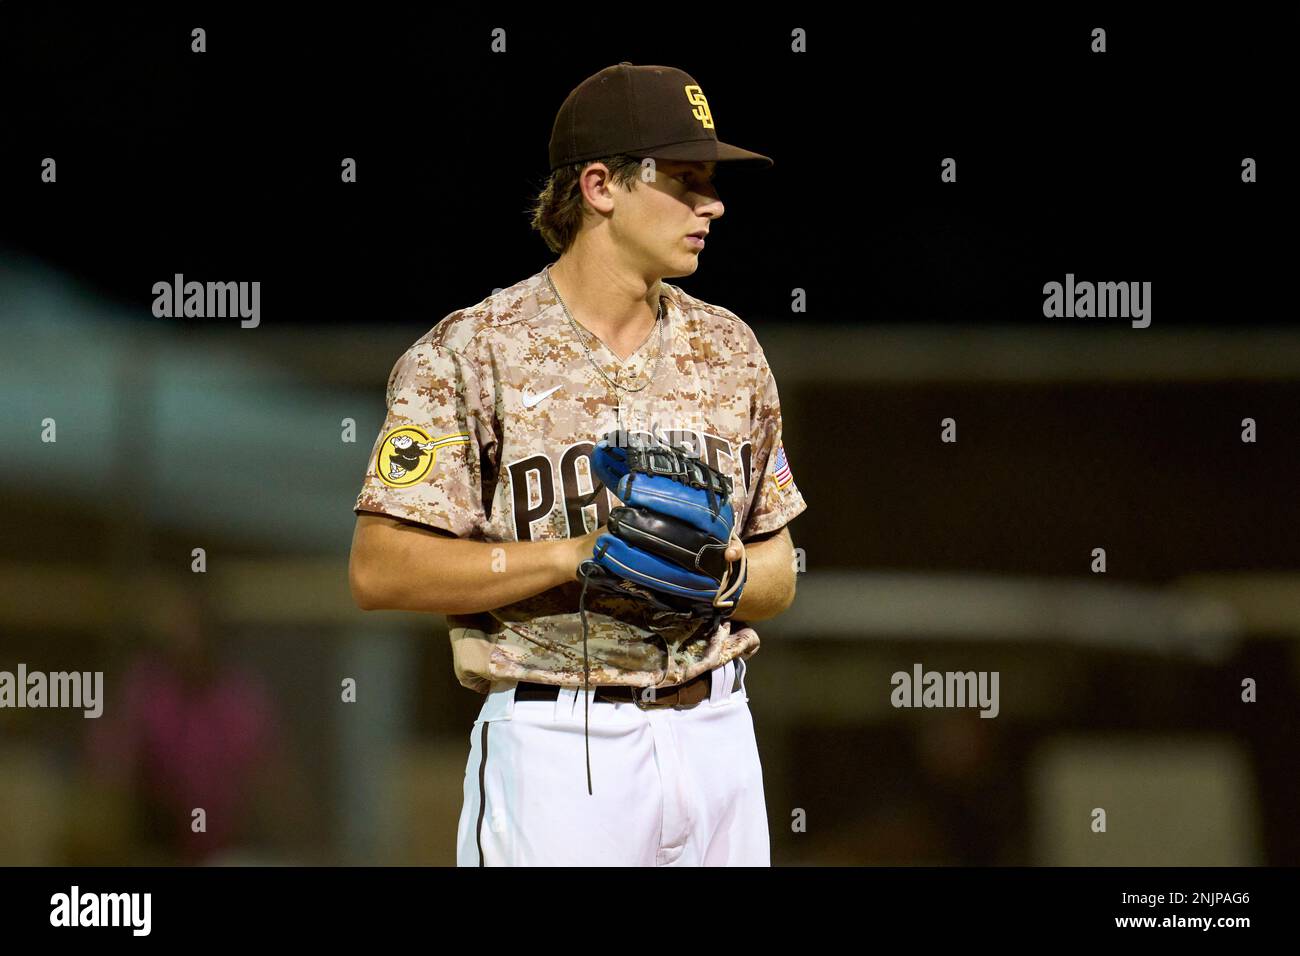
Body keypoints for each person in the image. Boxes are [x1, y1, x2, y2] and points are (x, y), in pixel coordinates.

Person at [348, 63, 806, 866]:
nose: (713, 203)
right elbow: (380, 568)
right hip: (560, 740)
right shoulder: (472, 350)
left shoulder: (728, 349)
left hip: (717, 731)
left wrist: (724, 576)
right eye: (687, 180)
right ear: (600, 186)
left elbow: (780, 566)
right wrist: (572, 555)